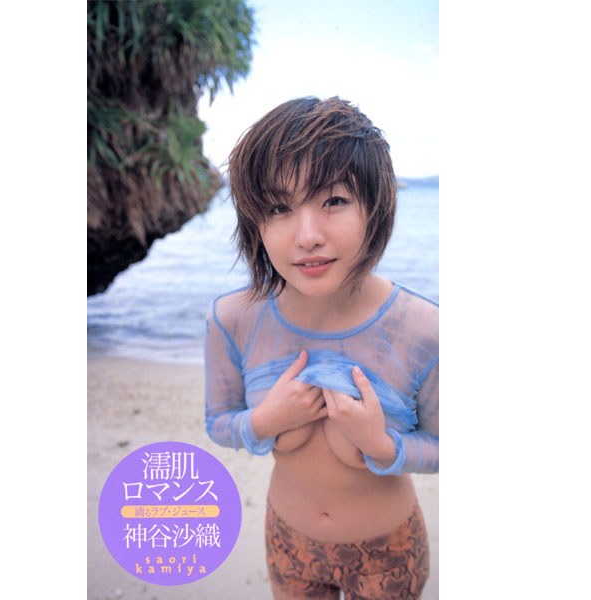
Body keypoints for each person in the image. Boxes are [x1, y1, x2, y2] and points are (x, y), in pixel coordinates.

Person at [204, 96, 438, 600]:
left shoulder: (424, 329)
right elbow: (218, 421)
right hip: (288, 543)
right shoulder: (232, 320)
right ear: (254, 222)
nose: (307, 236)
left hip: (387, 552)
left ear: (375, 206)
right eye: (278, 208)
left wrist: (381, 445)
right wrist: (264, 421)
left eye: (333, 201)